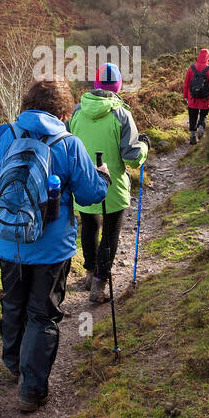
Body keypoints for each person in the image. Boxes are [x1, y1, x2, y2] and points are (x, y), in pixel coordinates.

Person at [0, 77, 110, 413]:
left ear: (27, 104)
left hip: (7, 240)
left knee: (13, 303)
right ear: (63, 110)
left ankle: (13, 364)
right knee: (42, 314)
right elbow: (91, 194)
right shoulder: (68, 143)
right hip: (51, 248)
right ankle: (31, 391)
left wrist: (1, 198)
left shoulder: (6, 135)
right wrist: (101, 175)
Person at [68, 63, 149, 304]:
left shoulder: (76, 113)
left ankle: (90, 273)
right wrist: (144, 145)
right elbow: (131, 157)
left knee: (89, 226)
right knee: (111, 231)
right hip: (112, 187)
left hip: (82, 183)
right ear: (118, 87)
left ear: (95, 84)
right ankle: (99, 284)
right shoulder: (122, 115)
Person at [182, 47, 209, 144]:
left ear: (198, 57)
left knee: (192, 116)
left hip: (192, 99)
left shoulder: (191, 68)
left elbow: (186, 84)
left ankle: (192, 136)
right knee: (203, 115)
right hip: (205, 99)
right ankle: (201, 127)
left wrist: (185, 96)